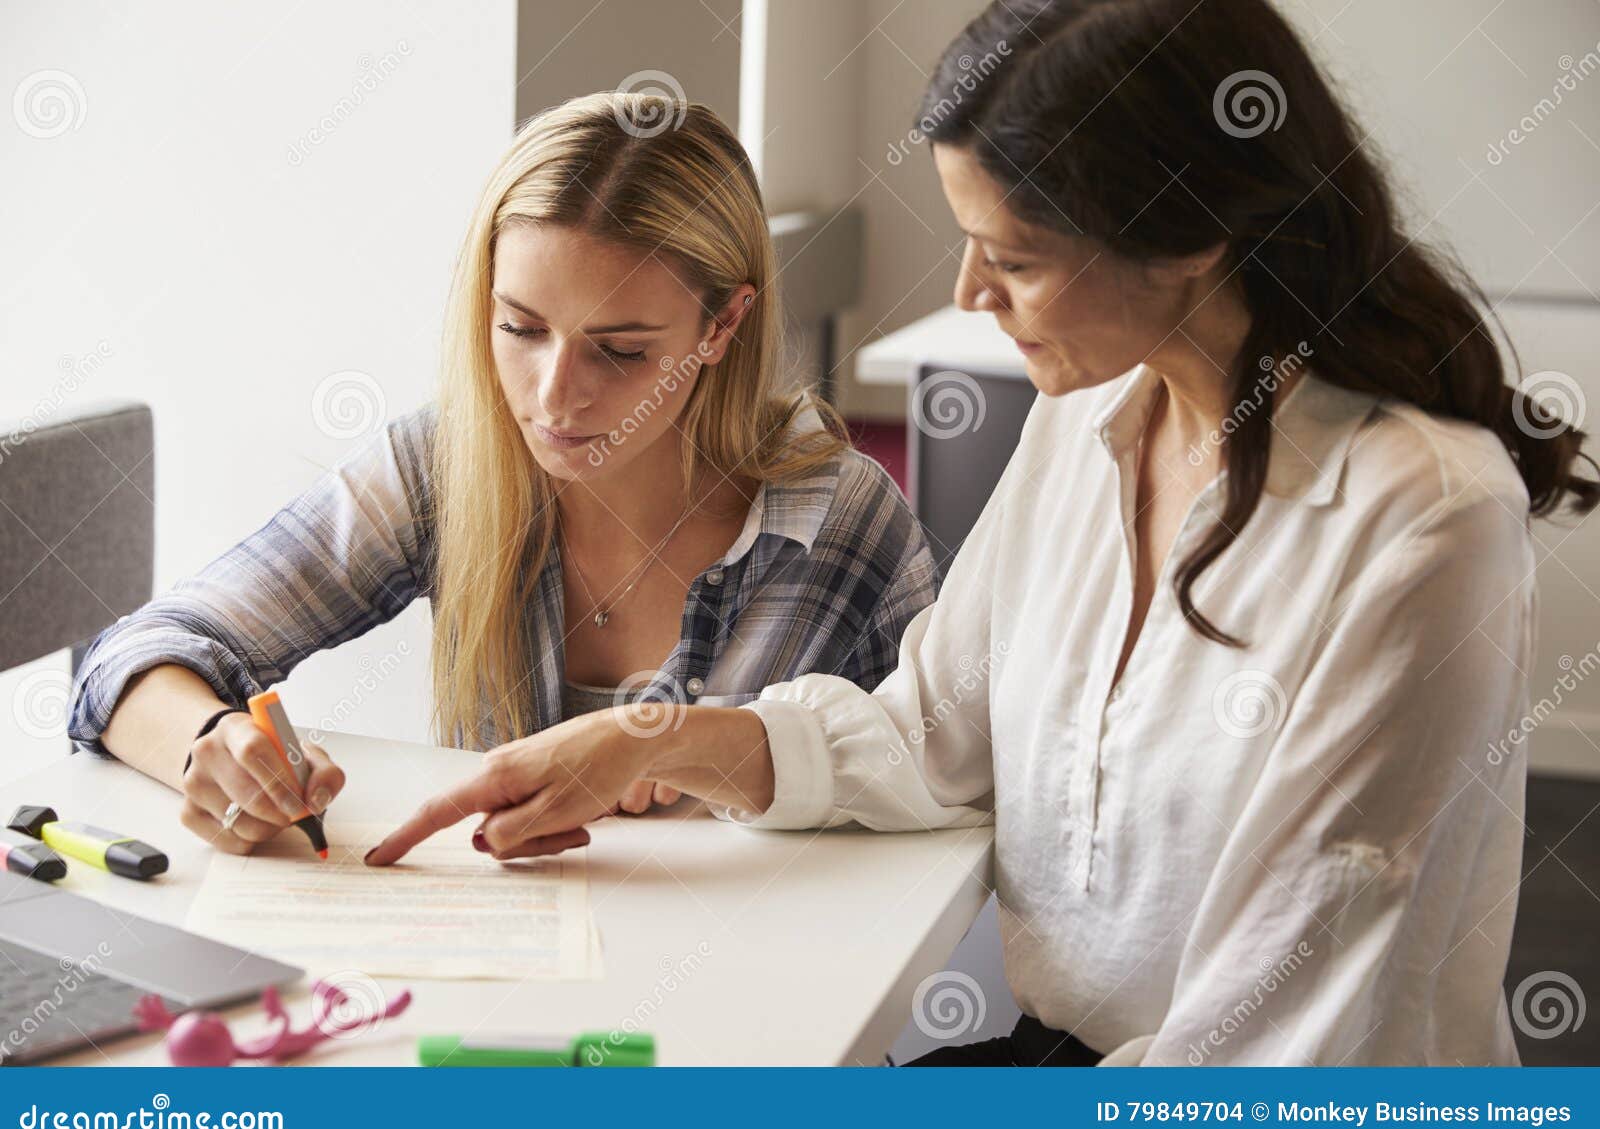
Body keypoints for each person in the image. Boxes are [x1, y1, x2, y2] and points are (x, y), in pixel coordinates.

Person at [365, 0, 1597, 1065]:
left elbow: (1297, 1025)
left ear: (1193, 241)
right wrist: (655, 739)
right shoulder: (1087, 422)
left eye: (1014, 254)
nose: (966, 291)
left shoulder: (1421, 517)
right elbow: (933, 734)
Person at [67, 94, 936, 858]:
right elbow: (133, 656)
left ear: (723, 324)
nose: (554, 397)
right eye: (521, 329)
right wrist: (210, 745)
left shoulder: (839, 521)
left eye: (621, 350)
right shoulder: (443, 464)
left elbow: (957, 790)